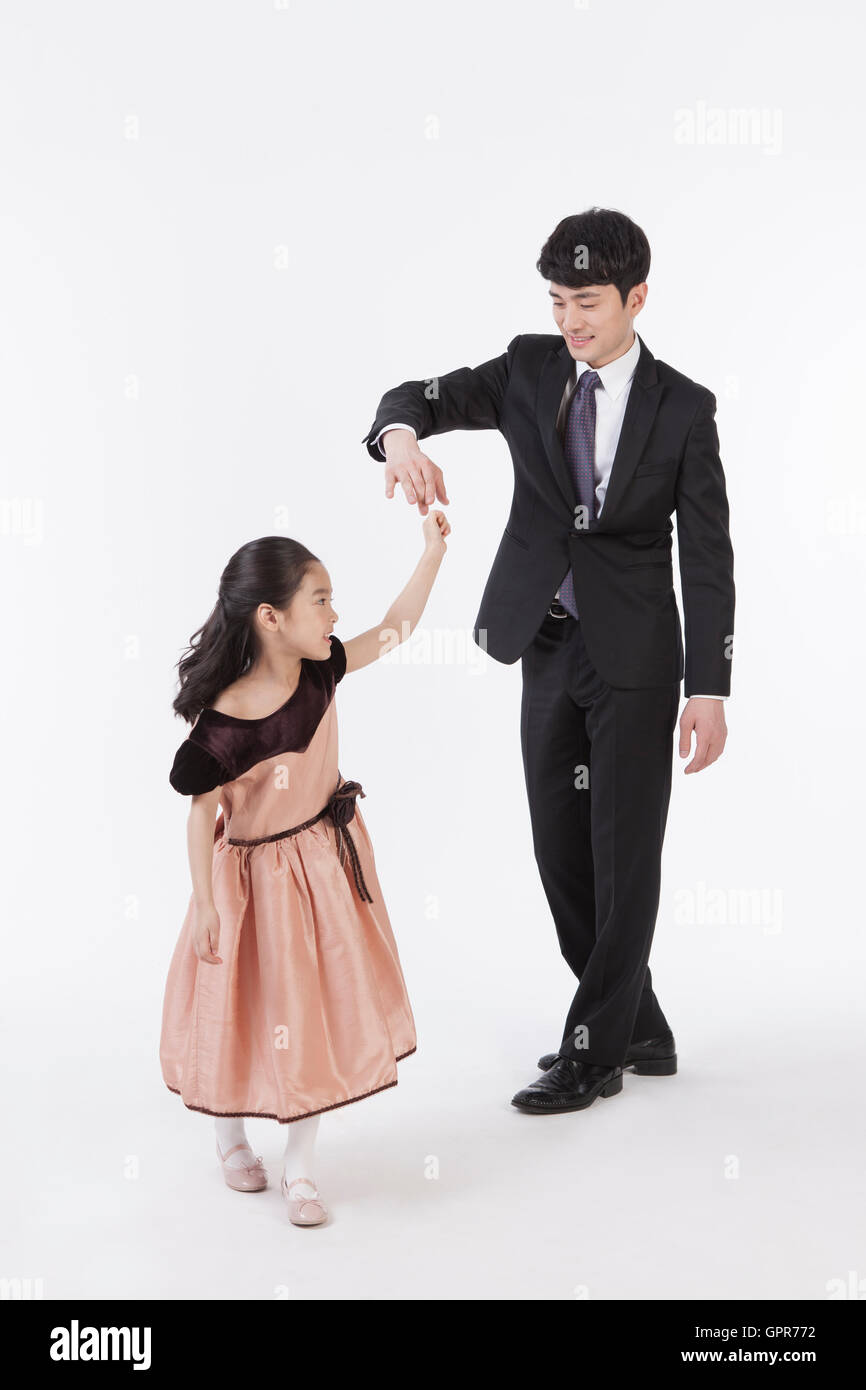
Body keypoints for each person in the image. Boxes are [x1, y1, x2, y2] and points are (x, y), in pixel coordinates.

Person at [361, 206, 735, 1115]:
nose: (572, 320)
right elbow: (417, 397)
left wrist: (711, 686)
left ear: (637, 298)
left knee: (625, 852)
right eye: (560, 300)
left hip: (641, 659)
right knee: (561, 850)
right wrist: (401, 439)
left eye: (591, 303)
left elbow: (709, 551)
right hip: (548, 643)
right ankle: (638, 1021)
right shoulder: (529, 367)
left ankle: (592, 1049)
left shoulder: (684, 408)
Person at [160, 515, 449, 1222]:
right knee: (241, 1006)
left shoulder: (323, 670)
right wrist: (205, 903)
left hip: (321, 864)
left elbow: (395, 628)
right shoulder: (221, 727)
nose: (334, 613)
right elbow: (202, 814)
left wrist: (433, 552)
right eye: (319, 599)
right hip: (253, 884)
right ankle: (230, 1137)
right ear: (270, 617)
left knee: (309, 1008)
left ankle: (301, 1167)